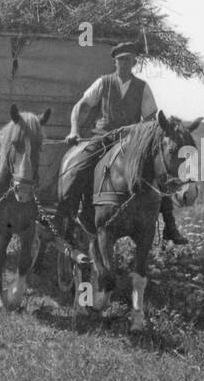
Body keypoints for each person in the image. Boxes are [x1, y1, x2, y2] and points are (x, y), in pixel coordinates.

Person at [57, 41, 188, 245]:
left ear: (134, 62)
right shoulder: (103, 83)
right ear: (114, 62)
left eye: (128, 60)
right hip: (103, 138)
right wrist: (74, 129)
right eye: (120, 60)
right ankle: (66, 216)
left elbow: (152, 120)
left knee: (159, 175)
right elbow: (81, 106)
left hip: (132, 142)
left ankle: (170, 226)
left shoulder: (142, 87)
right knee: (79, 165)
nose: (124, 64)